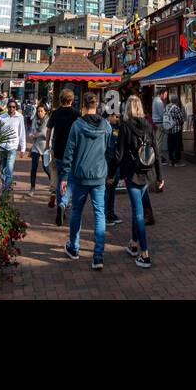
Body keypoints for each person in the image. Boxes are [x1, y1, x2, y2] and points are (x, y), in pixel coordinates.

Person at [60, 91, 113, 270]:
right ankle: (98, 255)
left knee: (77, 212)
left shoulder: (77, 125)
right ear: (96, 105)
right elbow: (110, 150)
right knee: (100, 214)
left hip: (80, 175)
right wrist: (109, 171)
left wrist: (65, 175)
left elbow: (69, 151)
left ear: (83, 105)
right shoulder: (106, 125)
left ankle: (74, 248)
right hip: (99, 176)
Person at [115, 94, 161, 268]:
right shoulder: (149, 126)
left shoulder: (125, 127)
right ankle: (134, 244)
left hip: (132, 173)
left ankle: (145, 254)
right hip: (146, 173)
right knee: (137, 209)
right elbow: (156, 152)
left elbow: (118, 154)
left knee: (138, 212)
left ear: (128, 108)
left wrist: (112, 173)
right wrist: (160, 177)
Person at [47, 89, 79, 223]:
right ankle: (63, 204)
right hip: (71, 151)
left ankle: (61, 206)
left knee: (60, 179)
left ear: (60, 99)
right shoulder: (76, 114)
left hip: (58, 150)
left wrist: (47, 146)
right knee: (70, 180)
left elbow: (49, 129)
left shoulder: (55, 113)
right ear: (71, 100)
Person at [0, 99, 27, 193]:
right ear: (7, 107)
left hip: (13, 146)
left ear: (16, 108)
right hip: (2, 146)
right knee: (2, 169)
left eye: (13, 107)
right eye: (10, 106)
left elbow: (22, 133)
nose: (11, 108)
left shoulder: (20, 117)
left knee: (9, 168)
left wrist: (23, 148)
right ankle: (4, 184)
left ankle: (7, 188)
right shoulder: (2, 117)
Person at [104, 109, 124, 226]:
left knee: (111, 191)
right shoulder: (110, 129)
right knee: (107, 191)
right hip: (109, 164)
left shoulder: (115, 128)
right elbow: (111, 149)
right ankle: (106, 215)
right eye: (116, 117)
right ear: (110, 116)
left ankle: (110, 214)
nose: (117, 119)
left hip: (114, 164)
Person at [27, 101, 50, 193]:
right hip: (36, 146)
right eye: (38, 111)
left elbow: (46, 134)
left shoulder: (48, 120)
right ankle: (32, 188)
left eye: (41, 111)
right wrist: (32, 135)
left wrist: (37, 134)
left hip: (45, 147)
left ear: (45, 112)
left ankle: (52, 185)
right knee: (34, 168)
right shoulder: (35, 120)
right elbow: (32, 132)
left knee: (46, 168)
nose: (39, 113)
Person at [163, 93, 185, 167]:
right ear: (177, 100)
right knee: (177, 145)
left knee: (170, 146)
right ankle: (176, 162)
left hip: (168, 129)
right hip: (176, 129)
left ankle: (171, 160)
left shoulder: (166, 107)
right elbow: (181, 119)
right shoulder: (176, 108)